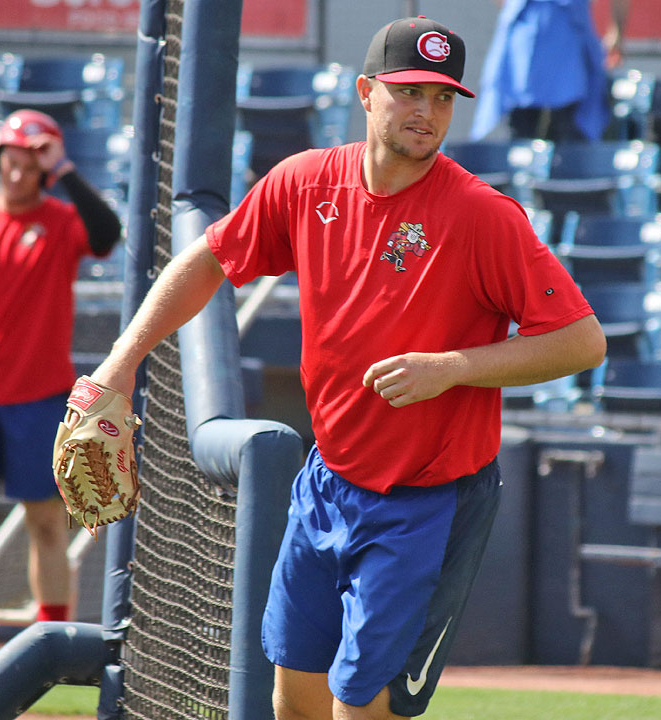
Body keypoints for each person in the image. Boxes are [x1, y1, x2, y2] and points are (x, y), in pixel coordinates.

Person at [82, 15, 605, 720]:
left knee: (361, 709)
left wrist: (452, 366)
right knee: (293, 699)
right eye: (410, 91)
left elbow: (580, 341)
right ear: (366, 92)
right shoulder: (304, 183)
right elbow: (208, 258)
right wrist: (116, 370)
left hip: (429, 501)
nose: (427, 112)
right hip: (327, 483)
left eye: (444, 98)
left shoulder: (483, 215)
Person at [0, 109, 121, 674]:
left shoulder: (61, 221)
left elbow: (106, 233)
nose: (21, 166)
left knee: (44, 522)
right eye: (14, 153)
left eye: (35, 157)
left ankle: (49, 645)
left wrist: (63, 169)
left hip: (39, 398)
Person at [470, 0, 631, 143]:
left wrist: (616, 31)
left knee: (567, 128)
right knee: (521, 130)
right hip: (523, 35)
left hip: (567, 36)